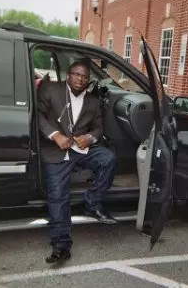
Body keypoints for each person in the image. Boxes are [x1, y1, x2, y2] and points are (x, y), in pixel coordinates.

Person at [37, 61, 117, 264]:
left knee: (108, 159)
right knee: (58, 196)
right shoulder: (50, 90)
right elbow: (37, 116)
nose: (80, 79)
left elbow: (99, 128)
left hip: (81, 149)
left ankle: (92, 202)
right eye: (77, 74)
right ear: (68, 75)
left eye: (85, 77)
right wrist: (55, 135)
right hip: (55, 151)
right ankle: (61, 246)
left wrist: (89, 138)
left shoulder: (93, 101)